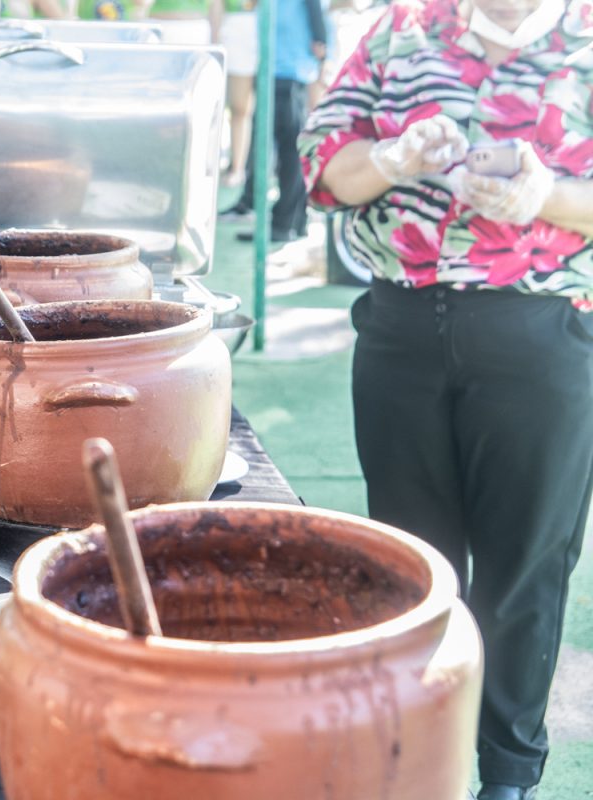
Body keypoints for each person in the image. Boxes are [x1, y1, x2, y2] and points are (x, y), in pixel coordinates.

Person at [300, 0, 593, 796]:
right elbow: (325, 168)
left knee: (526, 565)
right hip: (402, 331)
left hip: (540, 332)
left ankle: (507, 774)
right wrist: (393, 157)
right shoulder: (404, 27)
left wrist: (547, 195)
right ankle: (413, 764)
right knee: (407, 560)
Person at [220, 0, 328, 243]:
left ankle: (285, 223)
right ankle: (293, 221)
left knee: (291, 152)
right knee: (288, 148)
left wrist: (322, 41)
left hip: (287, 70)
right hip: (282, 68)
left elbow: (315, 13)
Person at [209, 0, 257, 186]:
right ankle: (212, 163)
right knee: (214, 106)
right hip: (225, 28)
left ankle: (237, 168)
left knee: (241, 107)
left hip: (249, 29)